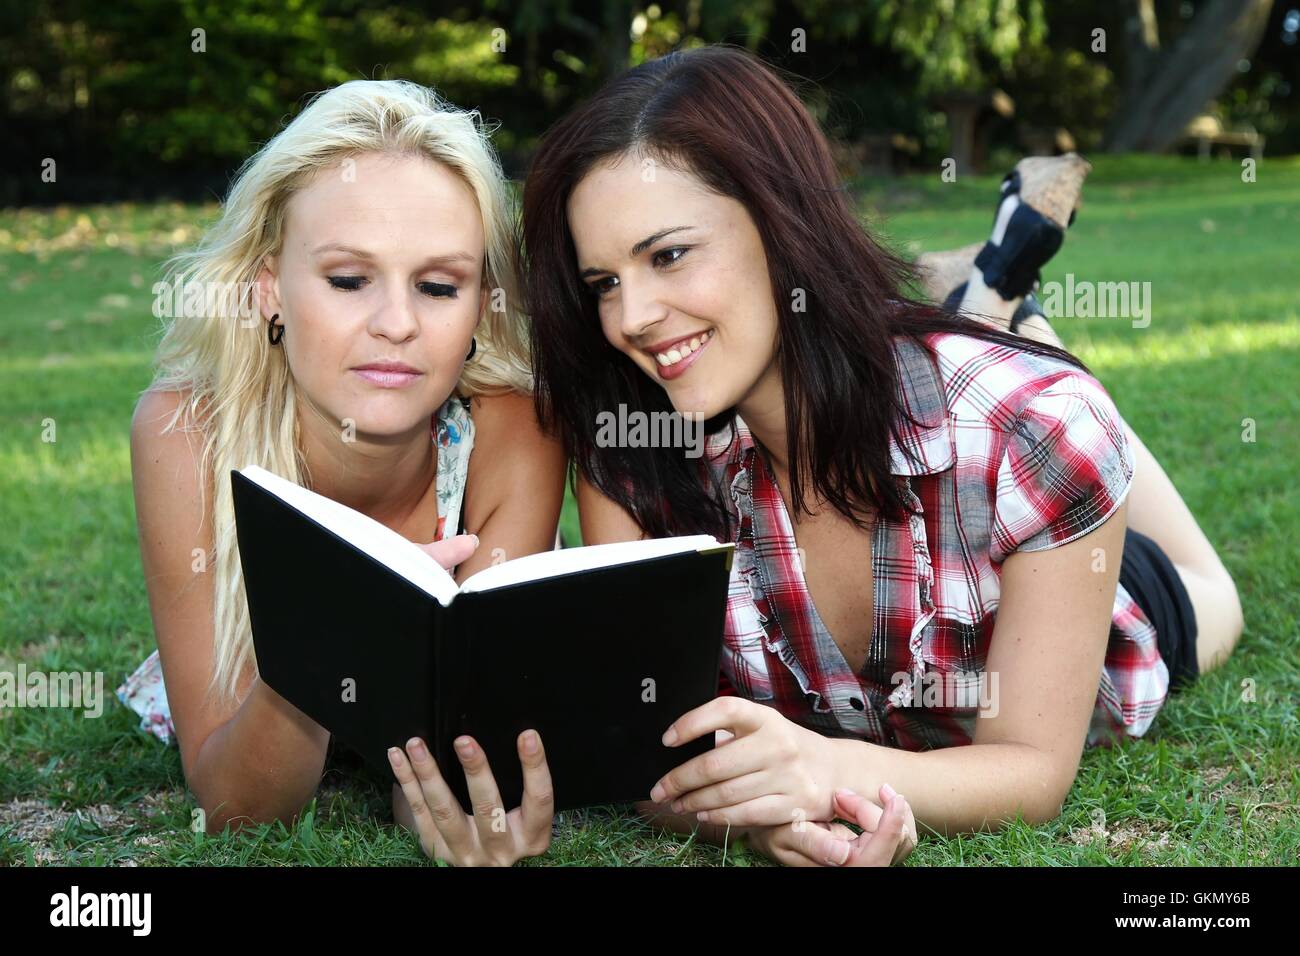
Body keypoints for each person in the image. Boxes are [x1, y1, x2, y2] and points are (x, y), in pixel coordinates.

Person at [519, 45, 1243, 867]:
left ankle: (1013, 328)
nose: (633, 318)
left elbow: (1033, 770)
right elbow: (650, 753)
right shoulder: (629, 454)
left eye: (669, 255)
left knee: (1205, 580)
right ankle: (980, 304)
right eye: (603, 282)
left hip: (1069, 565)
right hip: (946, 416)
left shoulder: (1034, 427)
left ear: (781, 218)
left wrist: (825, 770)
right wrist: (771, 819)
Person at [122, 80, 566, 851]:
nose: (396, 323)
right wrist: (345, 621)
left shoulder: (518, 430)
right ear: (270, 292)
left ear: (480, 307)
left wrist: (441, 810)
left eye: (437, 285)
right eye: (348, 279)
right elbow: (239, 807)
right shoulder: (184, 435)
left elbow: (454, 759)